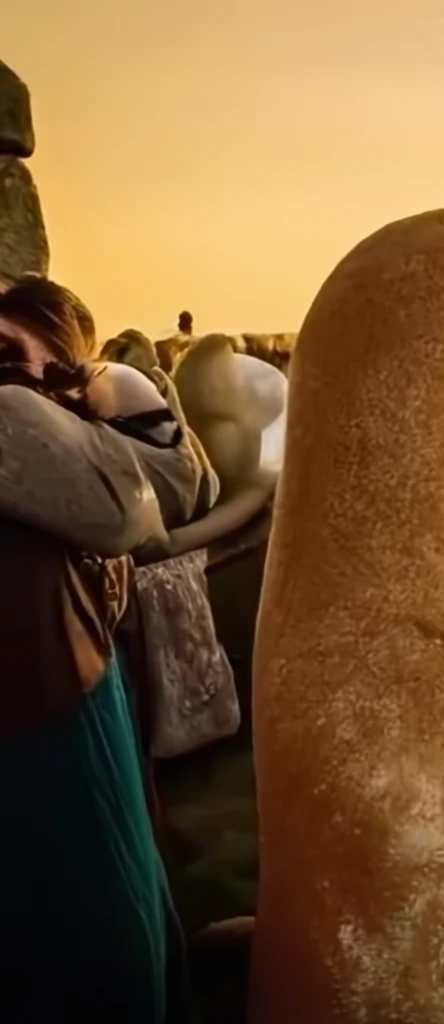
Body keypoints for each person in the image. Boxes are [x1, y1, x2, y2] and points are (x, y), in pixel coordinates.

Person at [0, 277, 206, 1022]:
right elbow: (152, 496)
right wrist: (115, 388)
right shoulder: (10, 420)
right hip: (39, 741)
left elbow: (177, 493)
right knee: (92, 958)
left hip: (80, 704)